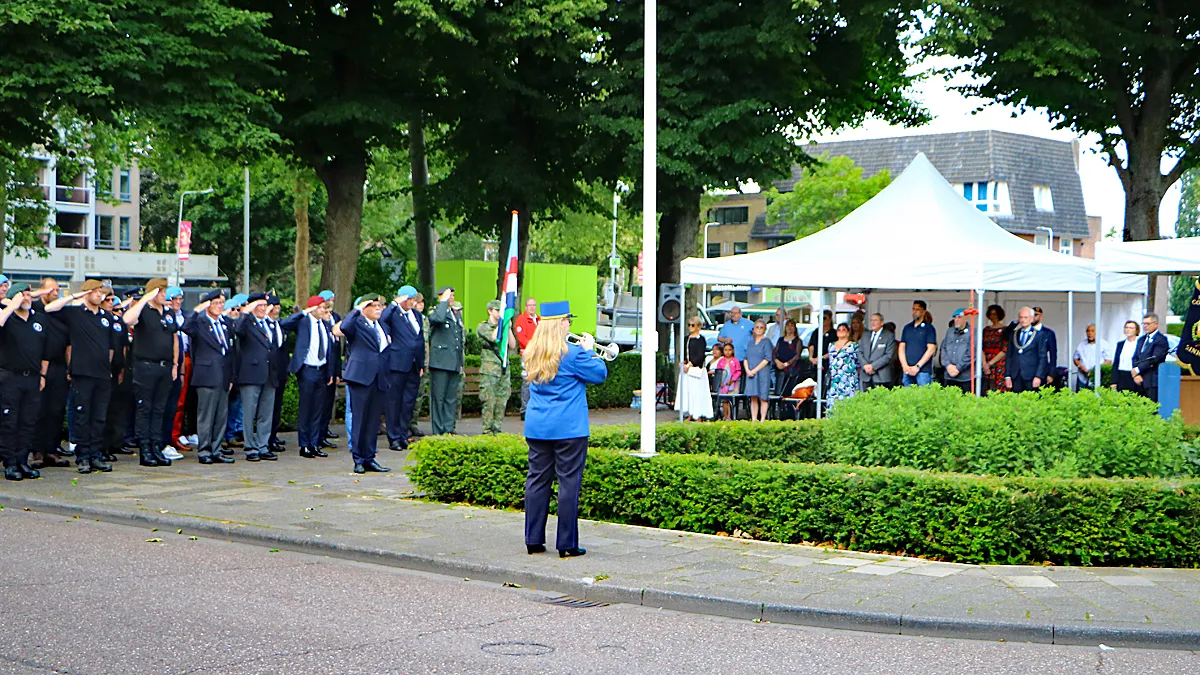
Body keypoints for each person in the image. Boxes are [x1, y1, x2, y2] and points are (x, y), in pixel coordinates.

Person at [522, 301, 607, 558]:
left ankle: (533, 540)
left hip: (538, 427)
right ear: (560, 323)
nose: (570, 324)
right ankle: (567, 544)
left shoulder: (532, 352)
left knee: (537, 481)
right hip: (569, 428)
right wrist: (590, 349)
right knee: (569, 484)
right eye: (568, 320)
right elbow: (600, 373)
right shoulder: (573, 353)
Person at [43, 279, 121, 474]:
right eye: (95, 292)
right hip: (82, 373)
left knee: (99, 417)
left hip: (102, 373)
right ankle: (83, 456)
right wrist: (74, 296)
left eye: (101, 292)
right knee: (82, 415)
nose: (100, 295)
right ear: (87, 293)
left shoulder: (106, 316)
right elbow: (50, 309)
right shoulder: (75, 313)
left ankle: (95, 454)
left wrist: (108, 365)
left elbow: (110, 346)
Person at [122, 279, 179, 467]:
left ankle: (156, 446)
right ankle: (145, 449)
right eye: (161, 292)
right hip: (146, 366)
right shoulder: (143, 311)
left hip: (164, 366)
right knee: (145, 408)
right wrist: (144, 299)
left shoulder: (169, 313)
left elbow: (174, 338)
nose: (164, 295)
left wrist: (175, 365)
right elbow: (127, 320)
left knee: (159, 409)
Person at [340, 294, 392, 474]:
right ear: (365, 309)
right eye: (374, 306)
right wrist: (357, 310)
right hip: (361, 377)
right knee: (360, 419)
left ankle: (370, 457)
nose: (379, 308)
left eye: (380, 306)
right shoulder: (357, 324)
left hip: (379, 378)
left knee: (373, 421)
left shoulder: (382, 326)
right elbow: (344, 326)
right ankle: (358, 459)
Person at [0, 283, 47, 481]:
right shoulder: (7, 317)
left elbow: (45, 350)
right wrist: (11, 305)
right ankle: (10, 464)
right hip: (11, 377)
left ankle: (22, 461)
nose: (27, 298)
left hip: (33, 377)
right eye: (23, 295)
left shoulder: (37, 319)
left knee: (28, 421)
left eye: (29, 295)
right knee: (10, 422)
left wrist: (43, 375)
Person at [183, 290, 236, 464]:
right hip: (206, 375)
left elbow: (230, 352)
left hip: (223, 375)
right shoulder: (199, 322)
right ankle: (204, 450)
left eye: (222, 302)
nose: (220, 306)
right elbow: (185, 327)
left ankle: (217, 449)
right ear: (208, 305)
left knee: (221, 415)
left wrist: (230, 377)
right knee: (206, 415)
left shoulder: (226, 323)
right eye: (216, 303)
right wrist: (198, 309)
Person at [280, 296, 335, 459]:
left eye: (324, 307)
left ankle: (314, 443)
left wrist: (330, 371)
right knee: (306, 408)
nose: (323, 310)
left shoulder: (325, 324)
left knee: (318, 409)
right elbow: (284, 324)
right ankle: (304, 444)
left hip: (322, 369)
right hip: (307, 369)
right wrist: (304, 312)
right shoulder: (304, 321)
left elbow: (330, 350)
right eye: (320, 307)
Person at [29, 278, 71, 469]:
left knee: (56, 409)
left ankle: (52, 450)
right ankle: (37, 451)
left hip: (59, 366)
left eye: (57, 289)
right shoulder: (35, 308)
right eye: (51, 289)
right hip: (38, 367)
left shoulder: (62, 312)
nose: (56, 292)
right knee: (40, 409)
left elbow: (69, 343)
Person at [233, 293, 280, 462]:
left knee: (266, 413)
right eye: (258, 305)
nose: (262, 309)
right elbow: (238, 329)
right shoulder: (247, 322)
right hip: (252, 373)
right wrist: (245, 312)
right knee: (249, 412)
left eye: (263, 305)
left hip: (269, 373)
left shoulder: (268, 323)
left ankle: (263, 445)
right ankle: (250, 447)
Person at [381, 286, 424, 450]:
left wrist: (421, 363)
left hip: (413, 364)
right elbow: (382, 320)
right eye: (410, 300)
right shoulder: (393, 314)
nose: (412, 303)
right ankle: (393, 437)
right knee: (394, 401)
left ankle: (403, 433)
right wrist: (394, 304)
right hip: (397, 364)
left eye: (414, 300)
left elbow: (419, 340)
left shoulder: (416, 315)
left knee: (408, 402)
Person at [475, 300, 517, 434]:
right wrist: (502, 324)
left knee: (502, 401)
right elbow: (494, 338)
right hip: (489, 371)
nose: (500, 314)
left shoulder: (503, 326)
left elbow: (512, 345)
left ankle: (497, 429)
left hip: (503, 370)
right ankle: (487, 430)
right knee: (489, 402)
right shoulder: (483, 326)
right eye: (497, 311)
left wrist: (508, 328)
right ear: (490, 311)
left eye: (501, 311)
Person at [427, 286, 464, 435]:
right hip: (440, 363)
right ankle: (438, 431)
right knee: (438, 399)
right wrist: (442, 303)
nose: (451, 298)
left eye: (452, 295)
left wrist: (460, 362)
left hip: (453, 362)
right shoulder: (435, 311)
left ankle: (448, 429)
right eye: (448, 295)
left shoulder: (455, 314)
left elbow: (458, 341)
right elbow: (438, 319)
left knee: (450, 399)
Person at [676, 317, 714, 422]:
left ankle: (699, 415)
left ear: (699, 326)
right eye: (689, 325)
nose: (690, 327)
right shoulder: (686, 338)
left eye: (693, 325)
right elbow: (683, 352)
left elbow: (700, 355)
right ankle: (690, 414)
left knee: (697, 392)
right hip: (687, 370)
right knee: (688, 392)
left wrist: (691, 364)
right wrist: (683, 362)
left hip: (696, 370)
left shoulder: (701, 339)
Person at [318, 290, 342, 446]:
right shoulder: (320, 320)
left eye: (333, 299)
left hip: (333, 364)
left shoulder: (336, 318)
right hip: (323, 366)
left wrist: (337, 371)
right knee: (320, 402)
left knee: (328, 402)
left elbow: (337, 347)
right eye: (329, 300)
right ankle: (318, 433)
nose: (331, 302)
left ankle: (325, 429)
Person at [1005, 306, 1048, 393]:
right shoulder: (1014, 334)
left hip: (1031, 375)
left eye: (1025, 317)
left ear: (1032, 319)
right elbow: (1009, 356)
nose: (1023, 320)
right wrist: (1007, 375)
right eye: (1021, 317)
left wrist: (1038, 376)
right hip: (1015, 374)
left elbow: (1042, 357)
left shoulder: (1039, 335)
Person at [1132, 313, 1170, 403]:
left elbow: (1154, 359)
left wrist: (1138, 369)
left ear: (1155, 324)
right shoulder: (1141, 339)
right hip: (1139, 380)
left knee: (1152, 408)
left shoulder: (1161, 340)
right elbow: (1135, 357)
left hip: (1152, 381)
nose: (1145, 326)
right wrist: (1136, 374)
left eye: (1148, 324)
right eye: (1143, 323)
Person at [899, 300, 937, 386]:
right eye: (913, 309)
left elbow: (931, 349)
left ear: (923, 312)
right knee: (907, 397)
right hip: (907, 369)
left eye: (917, 309)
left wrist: (918, 366)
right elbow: (901, 347)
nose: (914, 312)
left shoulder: (929, 328)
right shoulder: (907, 327)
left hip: (923, 370)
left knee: (923, 397)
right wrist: (904, 365)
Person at [514, 297, 539, 420]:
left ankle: (534, 408)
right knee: (527, 381)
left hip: (539, 354)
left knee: (538, 380)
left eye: (534, 305)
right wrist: (533, 347)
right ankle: (524, 409)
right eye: (530, 305)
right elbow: (521, 338)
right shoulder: (521, 319)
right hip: (528, 354)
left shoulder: (539, 319)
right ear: (525, 307)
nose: (532, 307)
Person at [743, 319, 773, 421]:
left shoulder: (767, 342)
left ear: (765, 329)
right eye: (757, 327)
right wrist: (747, 370)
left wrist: (755, 370)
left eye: (761, 327)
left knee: (762, 397)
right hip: (751, 372)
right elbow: (746, 358)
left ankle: (762, 420)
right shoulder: (750, 342)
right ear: (753, 329)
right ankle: (754, 419)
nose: (759, 329)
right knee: (753, 397)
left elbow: (767, 359)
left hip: (762, 373)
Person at [825, 322, 860, 409]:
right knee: (833, 403)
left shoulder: (853, 346)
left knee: (848, 403)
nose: (841, 331)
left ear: (848, 332)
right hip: (834, 379)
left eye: (843, 330)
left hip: (848, 379)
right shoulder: (831, 345)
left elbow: (858, 362)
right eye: (839, 330)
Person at [857, 313, 896, 391]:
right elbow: (859, 352)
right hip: (865, 376)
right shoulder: (865, 335)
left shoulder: (888, 336)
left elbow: (888, 355)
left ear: (882, 322)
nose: (873, 322)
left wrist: (873, 366)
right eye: (871, 320)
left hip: (881, 376)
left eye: (875, 320)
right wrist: (865, 365)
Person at [940, 308, 973, 393]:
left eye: (959, 317)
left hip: (965, 377)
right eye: (955, 317)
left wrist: (958, 368)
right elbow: (944, 349)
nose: (956, 320)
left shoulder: (973, 332)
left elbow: (972, 352)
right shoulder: (949, 331)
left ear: (966, 318)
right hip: (949, 375)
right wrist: (948, 365)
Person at [1073, 324, 1113, 391]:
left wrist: (1095, 371)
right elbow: (1076, 358)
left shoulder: (1104, 344)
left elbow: (1108, 360)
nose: (1090, 333)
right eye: (1088, 331)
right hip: (1082, 376)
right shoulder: (1081, 344)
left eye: (1092, 331)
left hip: (1097, 377)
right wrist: (1080, 366)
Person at [772, 319, 803, 397]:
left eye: (792, 326)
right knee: (778, 388)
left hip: (791, 369)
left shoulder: (798, 341)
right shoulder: (781, 340)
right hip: (779, 368)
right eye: (788, 326)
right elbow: (775, 352)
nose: (789, 328)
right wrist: (777, 361)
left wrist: (787, 364)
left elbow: (797, 355)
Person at [982, 305, 1008, 393]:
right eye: (991, 314)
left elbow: (1005, 349)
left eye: (995, 314)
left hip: (999, 361)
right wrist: (984, 363)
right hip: (985, 360)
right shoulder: (986, 330)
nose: (993, 317)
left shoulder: (1005, 330)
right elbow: (981, 347)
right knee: (986, 387)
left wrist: (990, 363)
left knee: (999, 389)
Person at [1032, 307, 1059, 387]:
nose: (1033, 317)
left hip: (1043, 369)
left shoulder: (1048, 333)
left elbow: (1053, 354)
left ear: (1041, 316)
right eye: (1032, 315)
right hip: (1028, 369)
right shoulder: (1026, 331)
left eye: (1036, 315)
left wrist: (1051, 373)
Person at [713, 343, 741, 420]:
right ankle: (726, 415)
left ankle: (730, 416)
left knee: (731, 400)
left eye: (729, 350)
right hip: (723, 383)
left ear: (732, 351)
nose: (727, 352)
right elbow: (718, 371)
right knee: (724, 400)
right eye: (725, 350)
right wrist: (720, 381)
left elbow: (738, 371)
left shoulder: (735, 361)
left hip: (732, 383)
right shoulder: (721, 361)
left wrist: (732, 380)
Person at [1112, 320, 1141, 394]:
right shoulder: (1120, 344)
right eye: (1126, 327)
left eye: (1131, 328)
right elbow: (1116, 363)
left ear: (1136, 330)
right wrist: (1114, 381)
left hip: (1133, 375)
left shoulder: (1140, 344)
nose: (1128, 329)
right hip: (1121, 375)